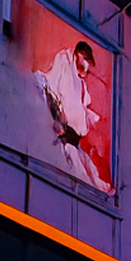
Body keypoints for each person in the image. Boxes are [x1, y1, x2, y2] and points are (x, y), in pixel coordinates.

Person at [33, 41, 110, 191]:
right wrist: (59, 116)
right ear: (79, 55)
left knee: (88, 173)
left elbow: (83, 105)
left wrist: (96, 119)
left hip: (74, 137)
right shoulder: (64, 61)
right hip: (63, 132)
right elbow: (52, 88)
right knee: (77, 171)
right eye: (82, 67)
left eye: (86, 71)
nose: (84, 74)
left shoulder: (81, 83)